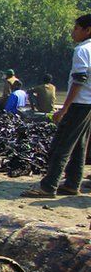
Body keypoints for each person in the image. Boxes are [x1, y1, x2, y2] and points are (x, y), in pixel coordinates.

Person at [22, 14, 91, 197]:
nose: (73, 31)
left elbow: (79, 81)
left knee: (62, 144)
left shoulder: (82, 50)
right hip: (88, 105)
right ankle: (72, 183)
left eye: (76, 28)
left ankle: (48, 186)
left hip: (79, 103)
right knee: (79, 144)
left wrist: (64, 108)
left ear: (87, 30)